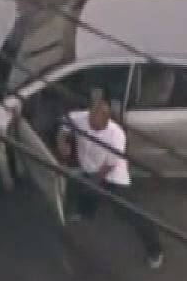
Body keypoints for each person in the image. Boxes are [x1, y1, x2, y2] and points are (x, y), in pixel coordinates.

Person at [58, 88, 165, 268]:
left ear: (107, 121)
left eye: (96, 125)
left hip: (113, 177)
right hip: (90, 168)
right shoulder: (82, 117)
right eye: (90, 120)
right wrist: (62, 141)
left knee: (129, 212)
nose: (91, 125)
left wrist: (93, 181)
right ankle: (85, 213)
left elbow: (109, 166)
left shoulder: (116, 136)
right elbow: (65, 124)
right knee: (88, 192)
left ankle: (155, 250)